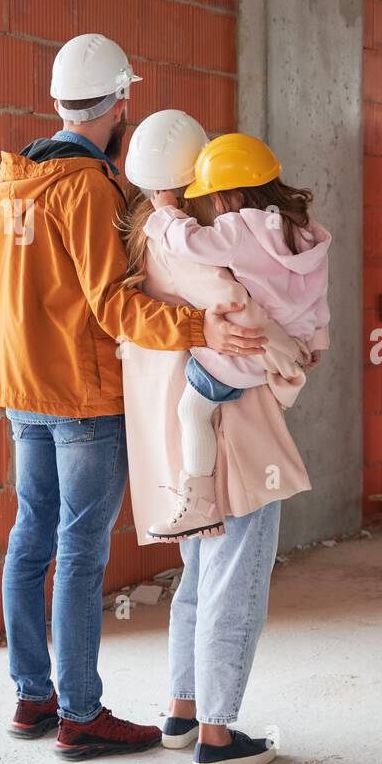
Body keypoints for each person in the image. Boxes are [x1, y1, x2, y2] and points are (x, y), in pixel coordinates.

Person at [0, 34, 270, 761]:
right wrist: (202, 325)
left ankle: (32, 698)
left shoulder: (14, 182)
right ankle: (80, 715)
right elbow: (115, 305)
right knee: (77, 552)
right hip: (76, 394)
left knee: (31, 536)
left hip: (18, 387)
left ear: (61, 101)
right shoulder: (90, 190)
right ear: (122, 102)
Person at [117, 113, 325, 764]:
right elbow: (247, 320)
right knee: (237, 584)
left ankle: (181, 711)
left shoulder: (145, 238)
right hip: (237, 436)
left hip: (183, 437)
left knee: (200, 578)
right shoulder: (200, 249)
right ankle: (216, 733)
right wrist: (294, 352)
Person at [142, 132, 330, 541]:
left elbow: (192, 244)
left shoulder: (239, 229)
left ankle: (198, 503)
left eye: (214, 199)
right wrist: (316, 341)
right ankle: (201, 500)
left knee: (190, 412)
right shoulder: (306, 232)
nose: (213, 207)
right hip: (287, 350)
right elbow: (318, 296)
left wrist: (166, 212)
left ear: (231, 198)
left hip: (241, 355)